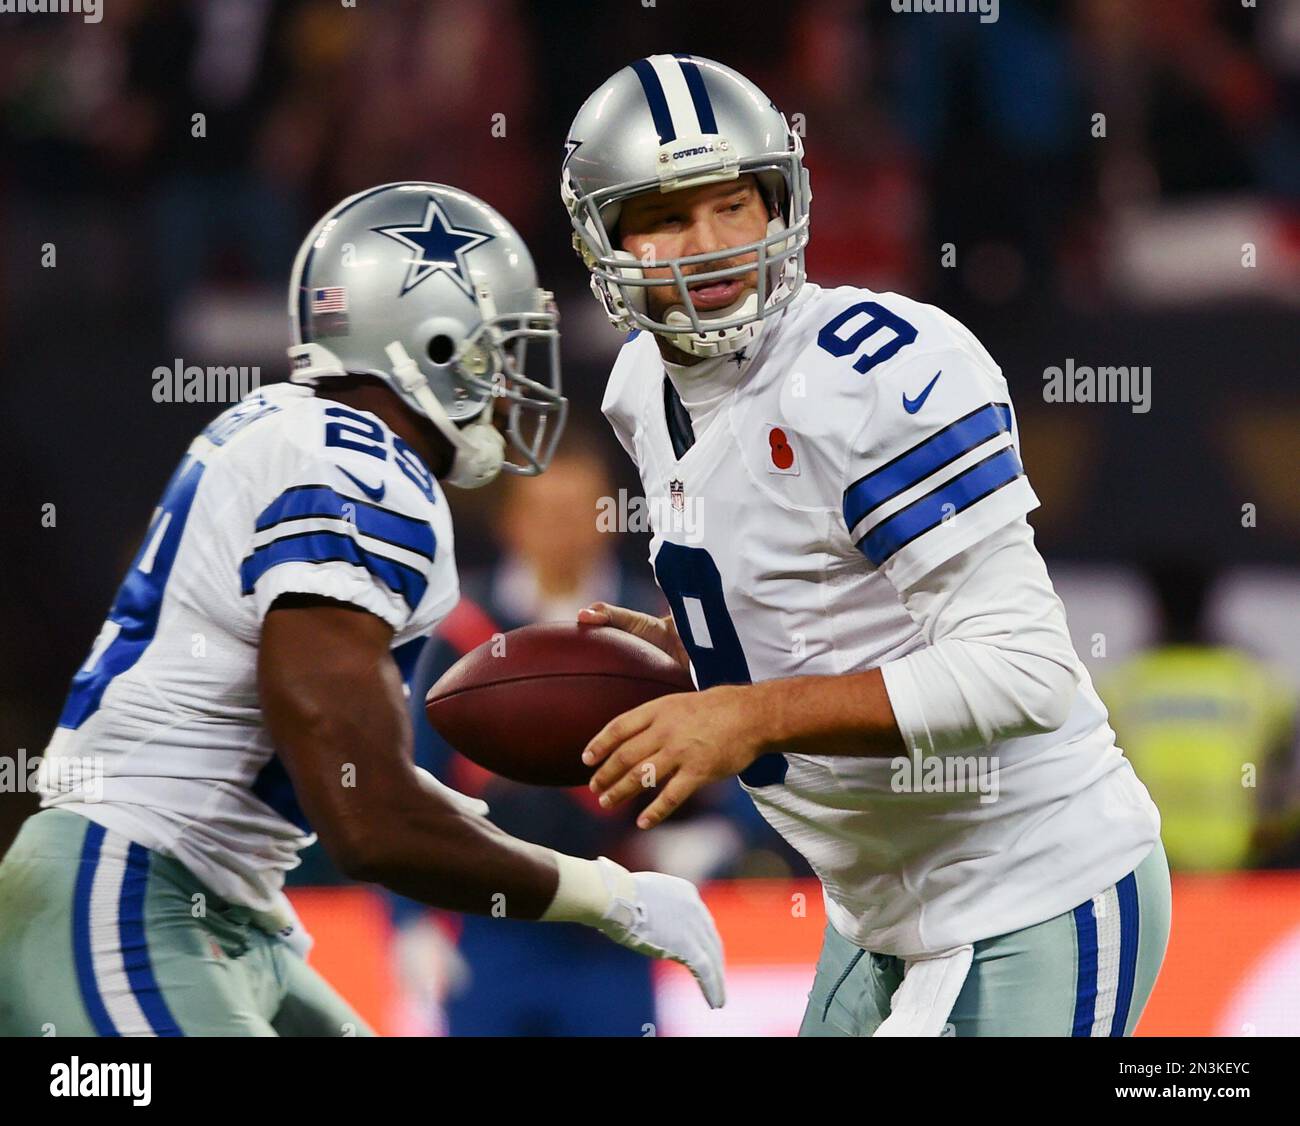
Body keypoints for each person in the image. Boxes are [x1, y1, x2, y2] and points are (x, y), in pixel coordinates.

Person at [0, 181, 723, 1037]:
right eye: (499, 348)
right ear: (438, 340)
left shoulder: (293, 427)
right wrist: (609, 895)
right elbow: (370, 827)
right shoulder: (361, 473)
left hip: (220, 909)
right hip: (133, 897)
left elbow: (305, 726)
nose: (511, 383)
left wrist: (401, 786)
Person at [560, 56, 1170, 1037]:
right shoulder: (639, 385)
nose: (709, 246)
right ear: (604, 236)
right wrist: (714, 653)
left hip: (1034, 888)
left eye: (733, 205)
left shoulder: (875, 372)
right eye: (666, 216)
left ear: (783, 204)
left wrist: (753, 709)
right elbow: (818, 584)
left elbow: (1024, 674)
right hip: (878, 912)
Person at [390, 441, 748, 1036]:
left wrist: (722, 830)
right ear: (511, 520)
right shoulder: (459, 631)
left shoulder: (660, 626)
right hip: (491, 925)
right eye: (544, 511)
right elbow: (409, 783)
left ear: (607, 519)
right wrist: (408, 920)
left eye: (578, 511)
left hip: (615, 930)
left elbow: (739, 732)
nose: (562, 529)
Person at [1100, 563, 1300, 872]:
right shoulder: (1259, 682)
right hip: (1239, 870)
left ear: (1156, 610)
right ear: (1212, 606)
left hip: (1147, 867)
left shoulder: (1120, 684)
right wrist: (1269, 840)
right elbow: (1286, 788)